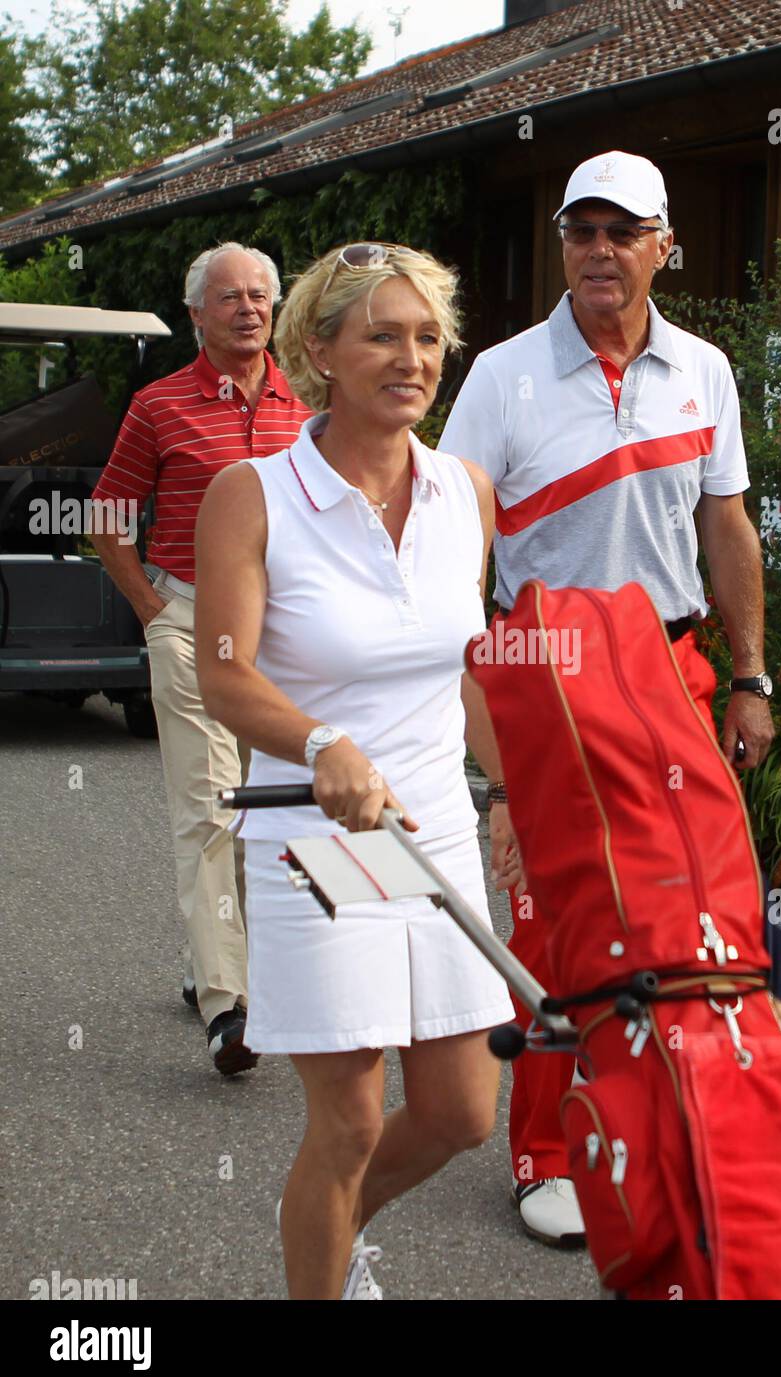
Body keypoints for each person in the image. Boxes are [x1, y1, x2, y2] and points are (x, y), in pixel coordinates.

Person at [439, 150, 775, 1245]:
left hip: (670, 667)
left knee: (682, 904)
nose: (598, 249)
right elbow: (455, 542)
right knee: (550, 910)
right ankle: (550, 1148)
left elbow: (725, 527)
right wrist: (476, 724)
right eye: (580, 229)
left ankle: (672, 1114)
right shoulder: (500, 374)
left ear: (662, 246)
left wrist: (749, 674)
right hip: (546, 673)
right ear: (562, 245)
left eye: (622, 231)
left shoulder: (704, 370)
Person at [194, 242, 515, 1299]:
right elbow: (227, 678)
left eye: (428, 337)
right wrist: (323, 741)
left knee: (465, 1111)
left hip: (434, 835)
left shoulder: (466, 490)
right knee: (349, 1119)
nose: (412, 358)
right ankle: (320, 1265)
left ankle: (326, 1227)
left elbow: (467, 668)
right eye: (383, 334)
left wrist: (510, 791)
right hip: (318, 839)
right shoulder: (254, 493)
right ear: (321, 349)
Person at [90, 242, 312, 1075]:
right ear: (196, 315)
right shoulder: (158, 406)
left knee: (277, 811)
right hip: (188, 620)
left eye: (261, 295)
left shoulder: (311, 404)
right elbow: (109, 513)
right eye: (230, 298)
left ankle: (216, 964)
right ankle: (230, 1005)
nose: (249, 308)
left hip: (284, 635)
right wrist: (153, 611)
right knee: (213, 810)